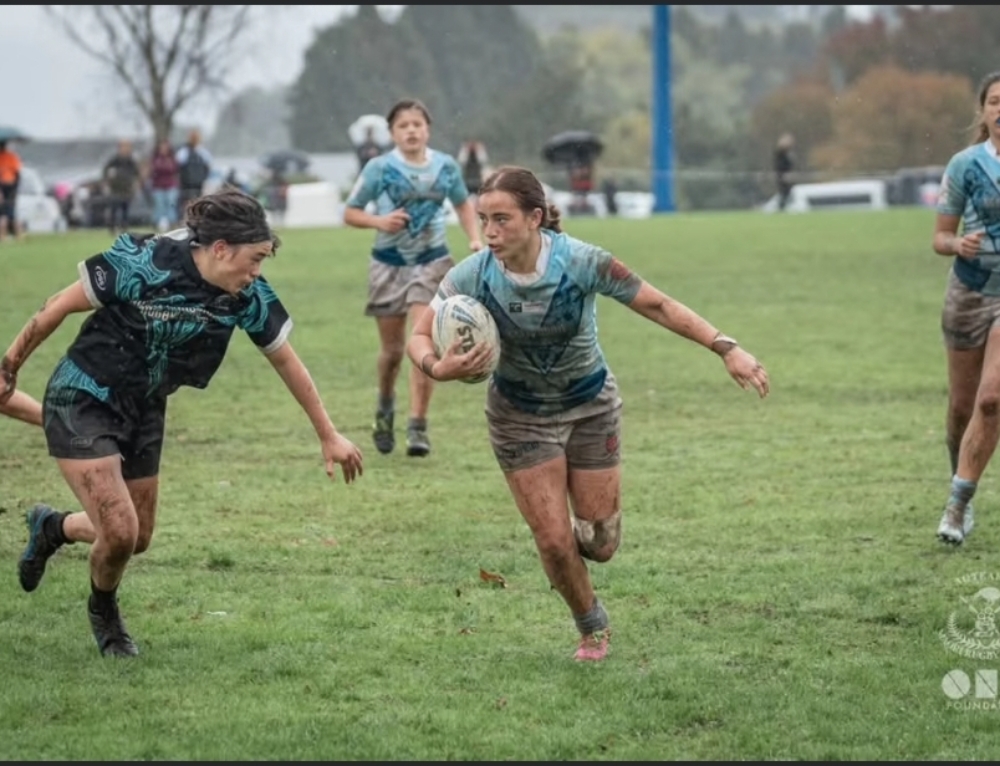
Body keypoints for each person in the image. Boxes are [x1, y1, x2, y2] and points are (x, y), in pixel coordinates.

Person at [406, 166, 770, 662]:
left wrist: (726, 347)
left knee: (599, 542)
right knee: (554, 542)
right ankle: (591, 625)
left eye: (502, 220)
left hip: (590, 406)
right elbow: (420, 335)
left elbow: (657, 305)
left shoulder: (581, 261)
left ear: (535, 218)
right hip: (518, 414)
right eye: (484, 220)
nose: (489, 232)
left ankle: (568, 535)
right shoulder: (471, 276)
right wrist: (437, 367)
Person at [0, 189, 364, 658]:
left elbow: (285, 360)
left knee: (137, 537)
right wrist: (9, 367)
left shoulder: (246, 295)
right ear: (220, 249)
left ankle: (52, 527)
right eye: (253, 259)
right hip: (83, 394)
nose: (257, 271)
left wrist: (328, 433)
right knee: (120, 530)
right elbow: (57, 305)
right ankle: (105, 616)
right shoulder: (144, 262)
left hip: (146, 407)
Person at [343, 98, 482, 458]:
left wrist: (474, 237)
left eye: (417, 124)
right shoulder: (379, 168)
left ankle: (418, 425)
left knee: (422, 343)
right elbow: (350, 212)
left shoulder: (446, 167)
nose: (411, 131)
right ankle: (385, 405)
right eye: (403, 125)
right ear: (392, 133)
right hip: (388, 263)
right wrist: (380, 222)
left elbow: (464, 204)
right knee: (391, 352)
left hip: (432, 261)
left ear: (427, 129)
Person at [933, 70, 1000, 546]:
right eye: (995, 101)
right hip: (967, 293)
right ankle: (963, 485)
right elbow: (938, 238)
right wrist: (959, 244)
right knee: (960, 409)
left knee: (992, 399)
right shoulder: (964, 165)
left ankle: (956, 504)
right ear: (984, 111)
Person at [102, 139, 142, 233]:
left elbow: (137, 174)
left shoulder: (131, 161)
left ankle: (124, 228)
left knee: (125, 211)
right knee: (114, 210)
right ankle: (111, 228)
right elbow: (106, 171)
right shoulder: (114, 160)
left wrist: (136, 185)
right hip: (115, 190)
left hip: (126, 190)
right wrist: (107, 182)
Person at [176, 129, 213, 214]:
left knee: (196, 203)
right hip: (186, 184)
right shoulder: (184, 152)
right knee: (187, 203)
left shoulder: (202, 152)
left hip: (197, 184)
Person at [149, 138, 180, 232]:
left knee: (171, 204)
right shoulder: (155, 159)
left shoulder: (172, 159)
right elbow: (153, 171)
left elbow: (176, 170)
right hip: (158, 186)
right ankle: (157, 223)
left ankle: (172, 223)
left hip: (170, 185)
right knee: (160, 206)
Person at [0, 139, 25, 242]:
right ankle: (19, 236)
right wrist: (16, 188)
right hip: (11, 185)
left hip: (1, 185)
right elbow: (18, 173)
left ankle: (3, 236)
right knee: (12, 211)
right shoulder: (13, 156)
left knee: (2, 213)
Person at [773, 133, 796, 212]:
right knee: (783, 193)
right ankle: (781, 208)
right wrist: (783, 174)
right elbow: (779, 165)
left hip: (787, 175)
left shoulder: (788, 153)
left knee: (787, 193)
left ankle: (783, 208)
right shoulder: (780, 153)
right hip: (782, 176)